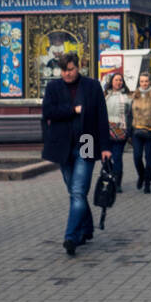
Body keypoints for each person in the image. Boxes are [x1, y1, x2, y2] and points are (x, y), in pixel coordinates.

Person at [42, 52, 112, 256]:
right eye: (63, 70)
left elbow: (101, 116)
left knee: (79, 191)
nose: (67, 74)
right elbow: (48, 112)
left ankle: (70, 236)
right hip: (62, 144)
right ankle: (87, 227)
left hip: (87, 142)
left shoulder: (91, 86)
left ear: (78, 68)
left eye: (70, 69)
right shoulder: (54, 87)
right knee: (74, 191)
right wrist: (73, 110)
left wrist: (106, 147)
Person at [128, 70, 151, 193]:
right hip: (137, 130)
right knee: (137, 157)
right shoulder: (135, 95)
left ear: (150, 82)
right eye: (142, 81)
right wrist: (129, 132)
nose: (144, 84)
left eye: (146, 81)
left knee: (149, 158)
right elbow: (129, 114)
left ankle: (147, 183)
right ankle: (141, 176)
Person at [103, 71, 133, 191]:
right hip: (106, 129)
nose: (118, 82)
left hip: (121, 129)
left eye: (120, 80)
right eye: (116, 80)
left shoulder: (127, 97)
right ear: (111, 82)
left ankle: (117, 182)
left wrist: (130, 130)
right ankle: (109, 177)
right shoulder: (105, 96)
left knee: (117, 157)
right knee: (106, 158)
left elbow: (130, 114)